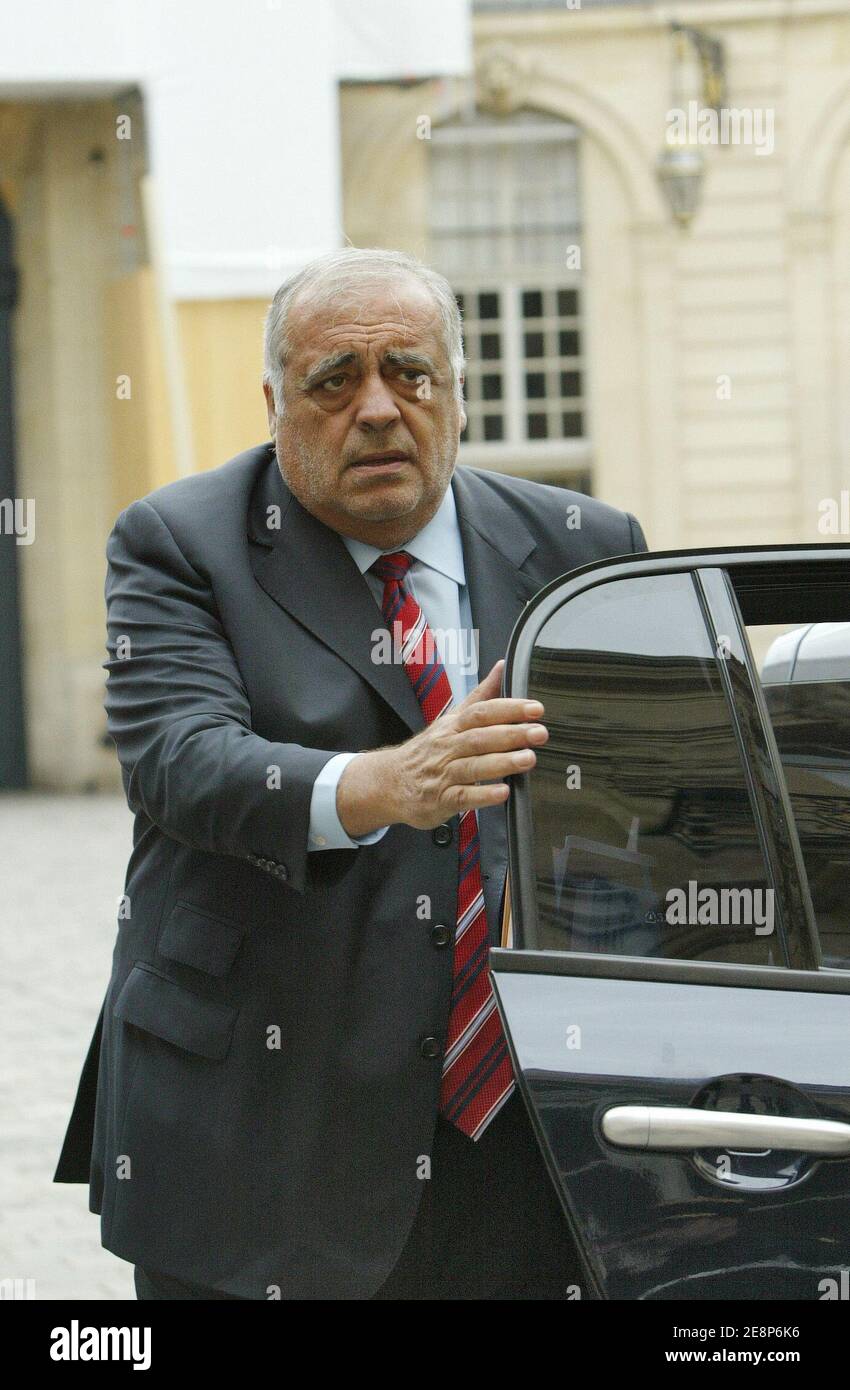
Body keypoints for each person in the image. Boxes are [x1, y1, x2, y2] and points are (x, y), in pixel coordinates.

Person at [54, 247, 647, 1299]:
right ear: (275, 403)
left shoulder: (580, 546)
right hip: (264, 1122)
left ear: (455, 393)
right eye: (335, 380)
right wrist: (387, 783)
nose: (378, 408)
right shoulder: (180, 543)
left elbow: (650, 798)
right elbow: (180, 761)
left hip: (523, 1125)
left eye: (410, 373)